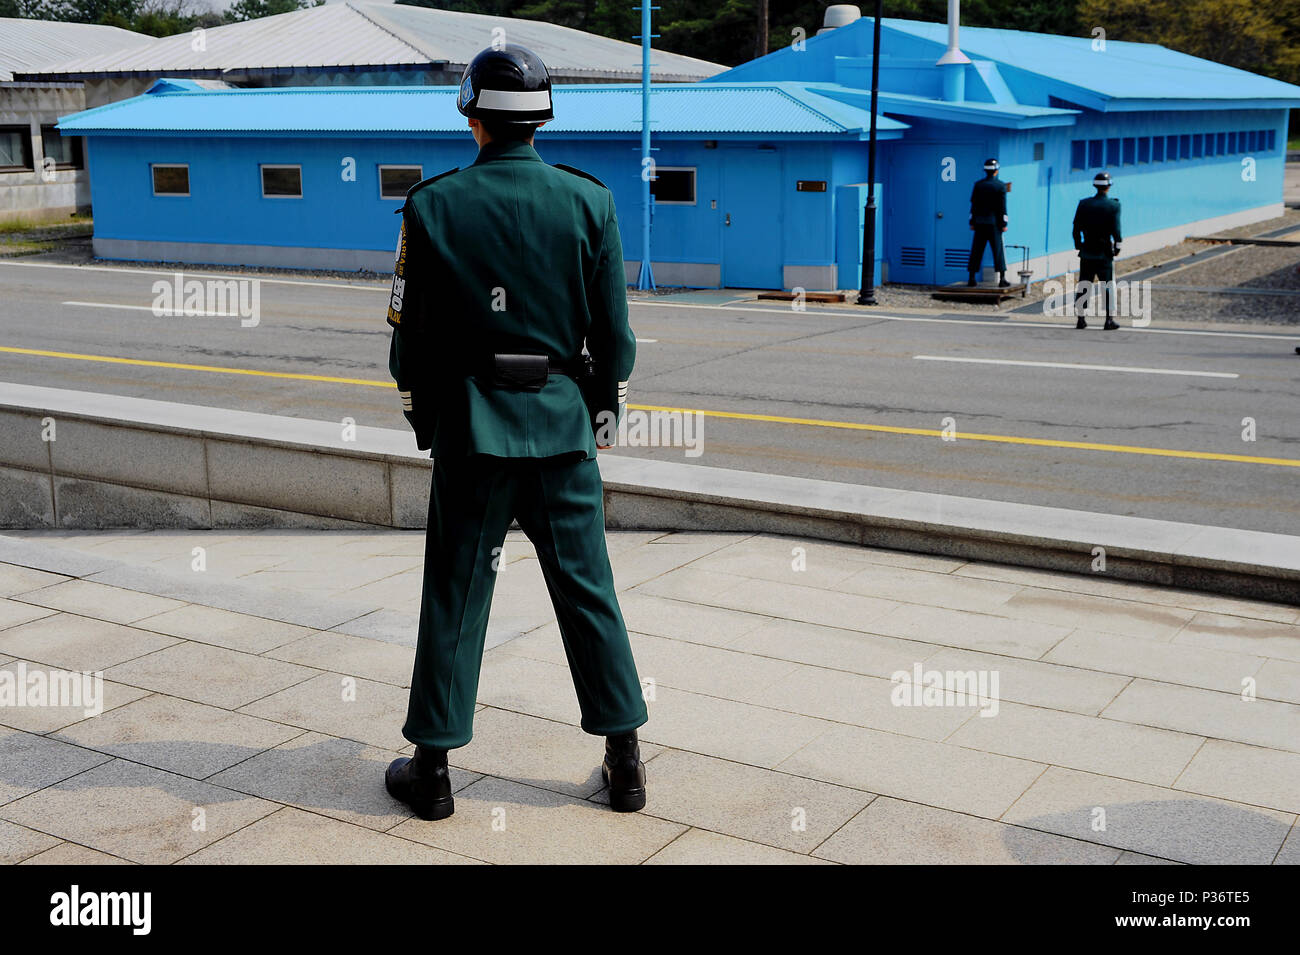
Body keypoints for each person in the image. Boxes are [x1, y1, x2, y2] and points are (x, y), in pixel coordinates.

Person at [383, 43, 649, 820]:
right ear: (542, 117)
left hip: (472, 432)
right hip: (564, 431)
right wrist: (600, 415)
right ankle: (625, 761)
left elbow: (410, 345)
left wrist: (431, 422)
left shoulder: (431, 206)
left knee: (455, 595)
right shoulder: (589, 202)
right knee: (588, 593)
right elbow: (617, 338)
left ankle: (431, 769)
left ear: (472, 115)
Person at [1072, 171, 1122, 330]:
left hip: (1087, 250)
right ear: (1108, 187)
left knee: (1084, 284)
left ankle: (1081, 319)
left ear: (1095, 185)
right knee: (1107, 285)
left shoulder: (1084, 204)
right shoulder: (1114, 205)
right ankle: (1108, 320)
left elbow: (1076, 227)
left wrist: (1078, 244)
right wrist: (1117, 246)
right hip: (1104, 252)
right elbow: (1116, 230)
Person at [968, 157, 1010, 288]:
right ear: (996, 171)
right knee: (998, 251)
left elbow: (973, 205)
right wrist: (1004, 224)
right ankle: (1002, 279)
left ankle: (971, 278)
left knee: (976, 250)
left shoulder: (978, 185)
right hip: (994, 224)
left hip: (979, 223)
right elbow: (1002, 207)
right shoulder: (1000, 186)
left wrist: (972, 221)